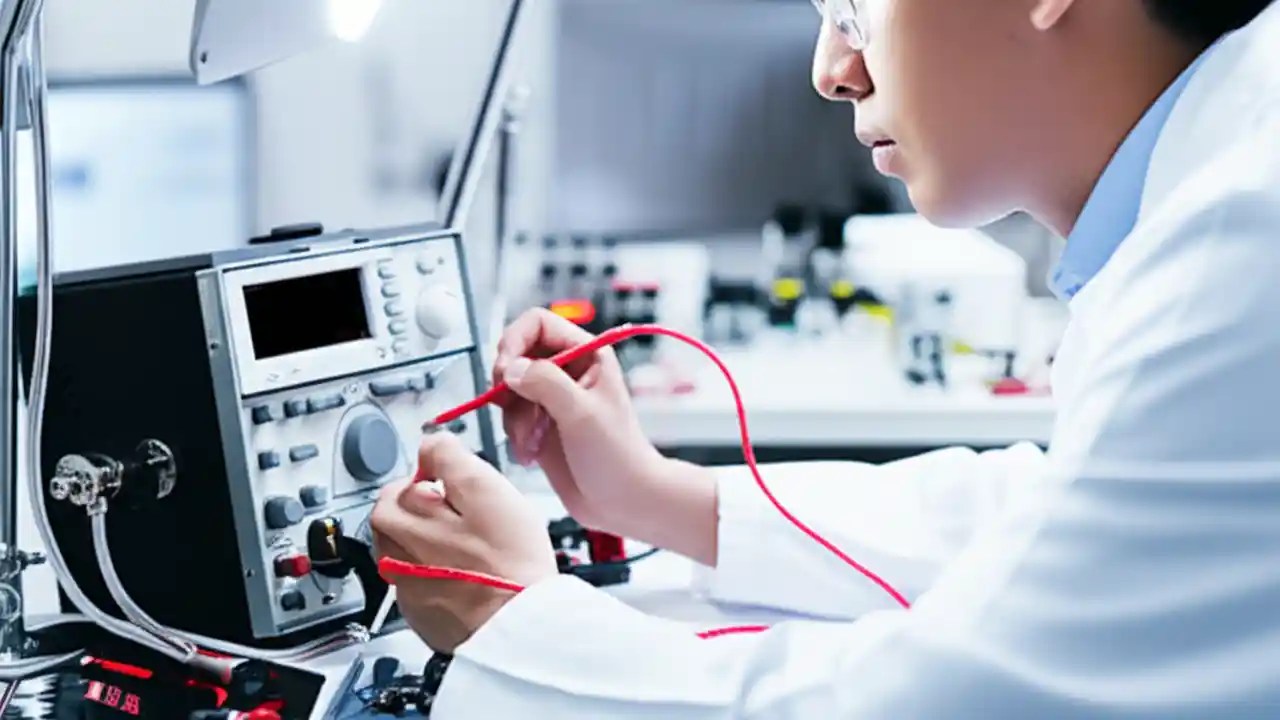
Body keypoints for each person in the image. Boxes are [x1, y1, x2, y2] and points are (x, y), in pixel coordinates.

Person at [370, 0, 1280, 715]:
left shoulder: (1246, 240)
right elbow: (1065, 523)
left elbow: (966, 699)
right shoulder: (1221, 192)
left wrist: (521, 629)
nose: (832, 72)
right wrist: (654, 497)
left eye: (851, 10)